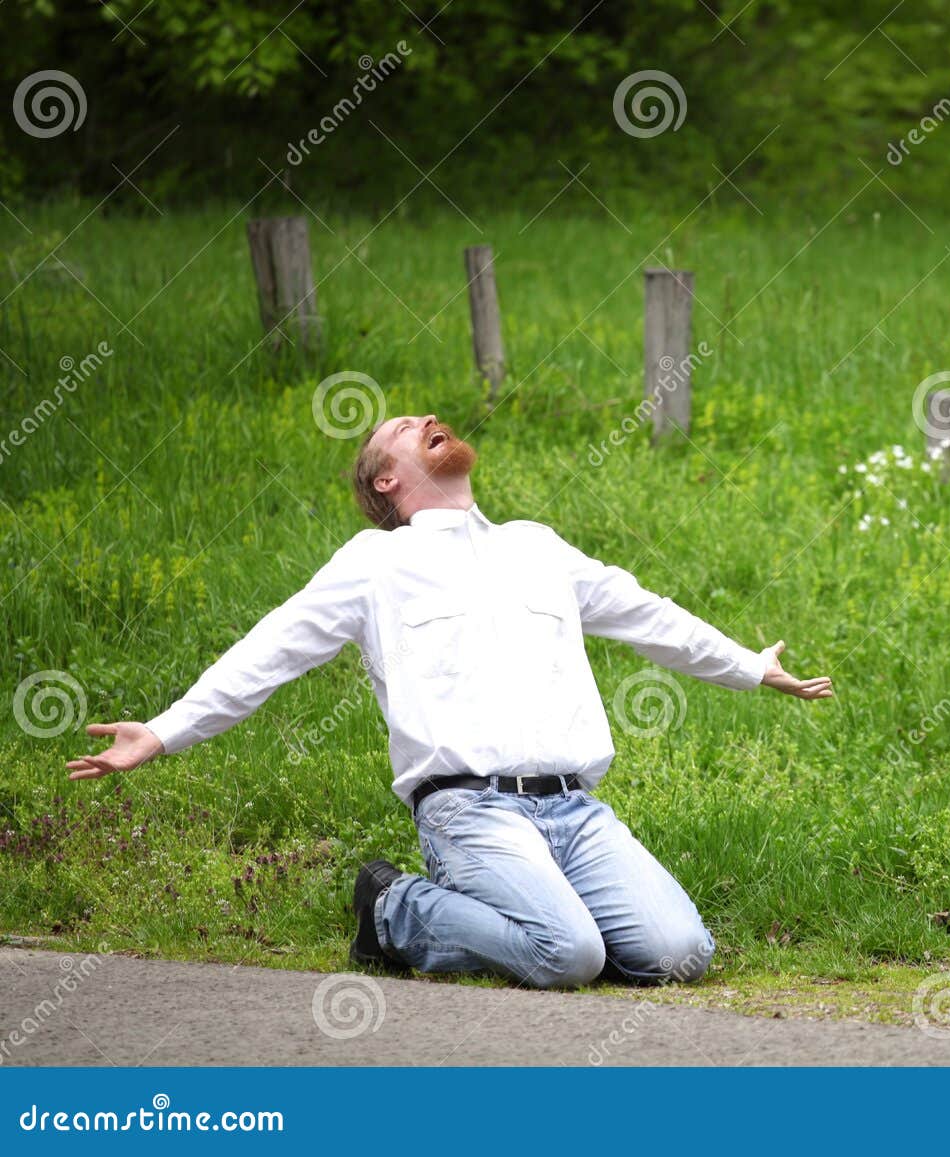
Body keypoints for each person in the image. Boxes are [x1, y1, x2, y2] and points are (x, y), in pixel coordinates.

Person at [67, 414, 832, 988]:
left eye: (427, 416)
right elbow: (270, 650)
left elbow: (647, 614)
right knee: (569, 955)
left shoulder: (536, 545)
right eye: (402, 429)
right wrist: (164, 731)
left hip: (576, 808)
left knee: (681, 953)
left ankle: (541, 925)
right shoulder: (375, 564)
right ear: (385, 483)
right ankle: (393, 907)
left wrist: (747, 666)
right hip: (470, 812)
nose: (425, 420)